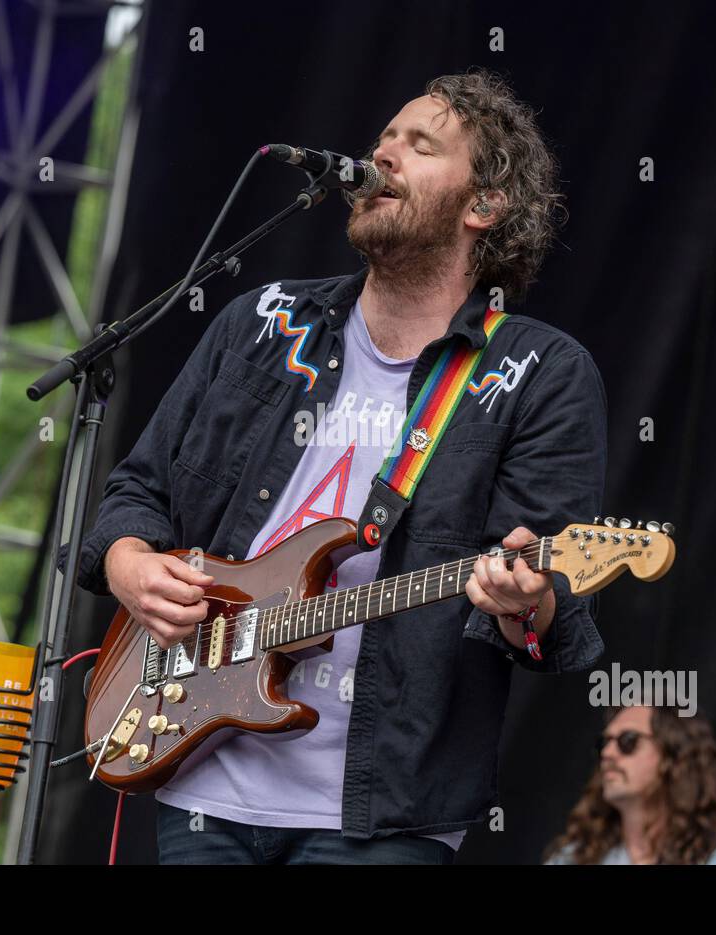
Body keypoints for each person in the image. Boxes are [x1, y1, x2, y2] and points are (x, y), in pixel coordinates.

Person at [74, 68, 608, 864]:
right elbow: (138, 488)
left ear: (483, 207)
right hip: (200, 774)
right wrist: (127, 563)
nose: (383, 154)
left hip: (384, 811)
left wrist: (523, 602)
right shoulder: (262, 322)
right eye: (384, 138)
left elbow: (546, 612)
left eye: (420, 145)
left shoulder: (537, 373)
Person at [544, 705, 716, 864]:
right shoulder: (571, 859)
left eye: (628, 741)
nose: (607, 753)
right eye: (603, 743)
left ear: (674, 756)